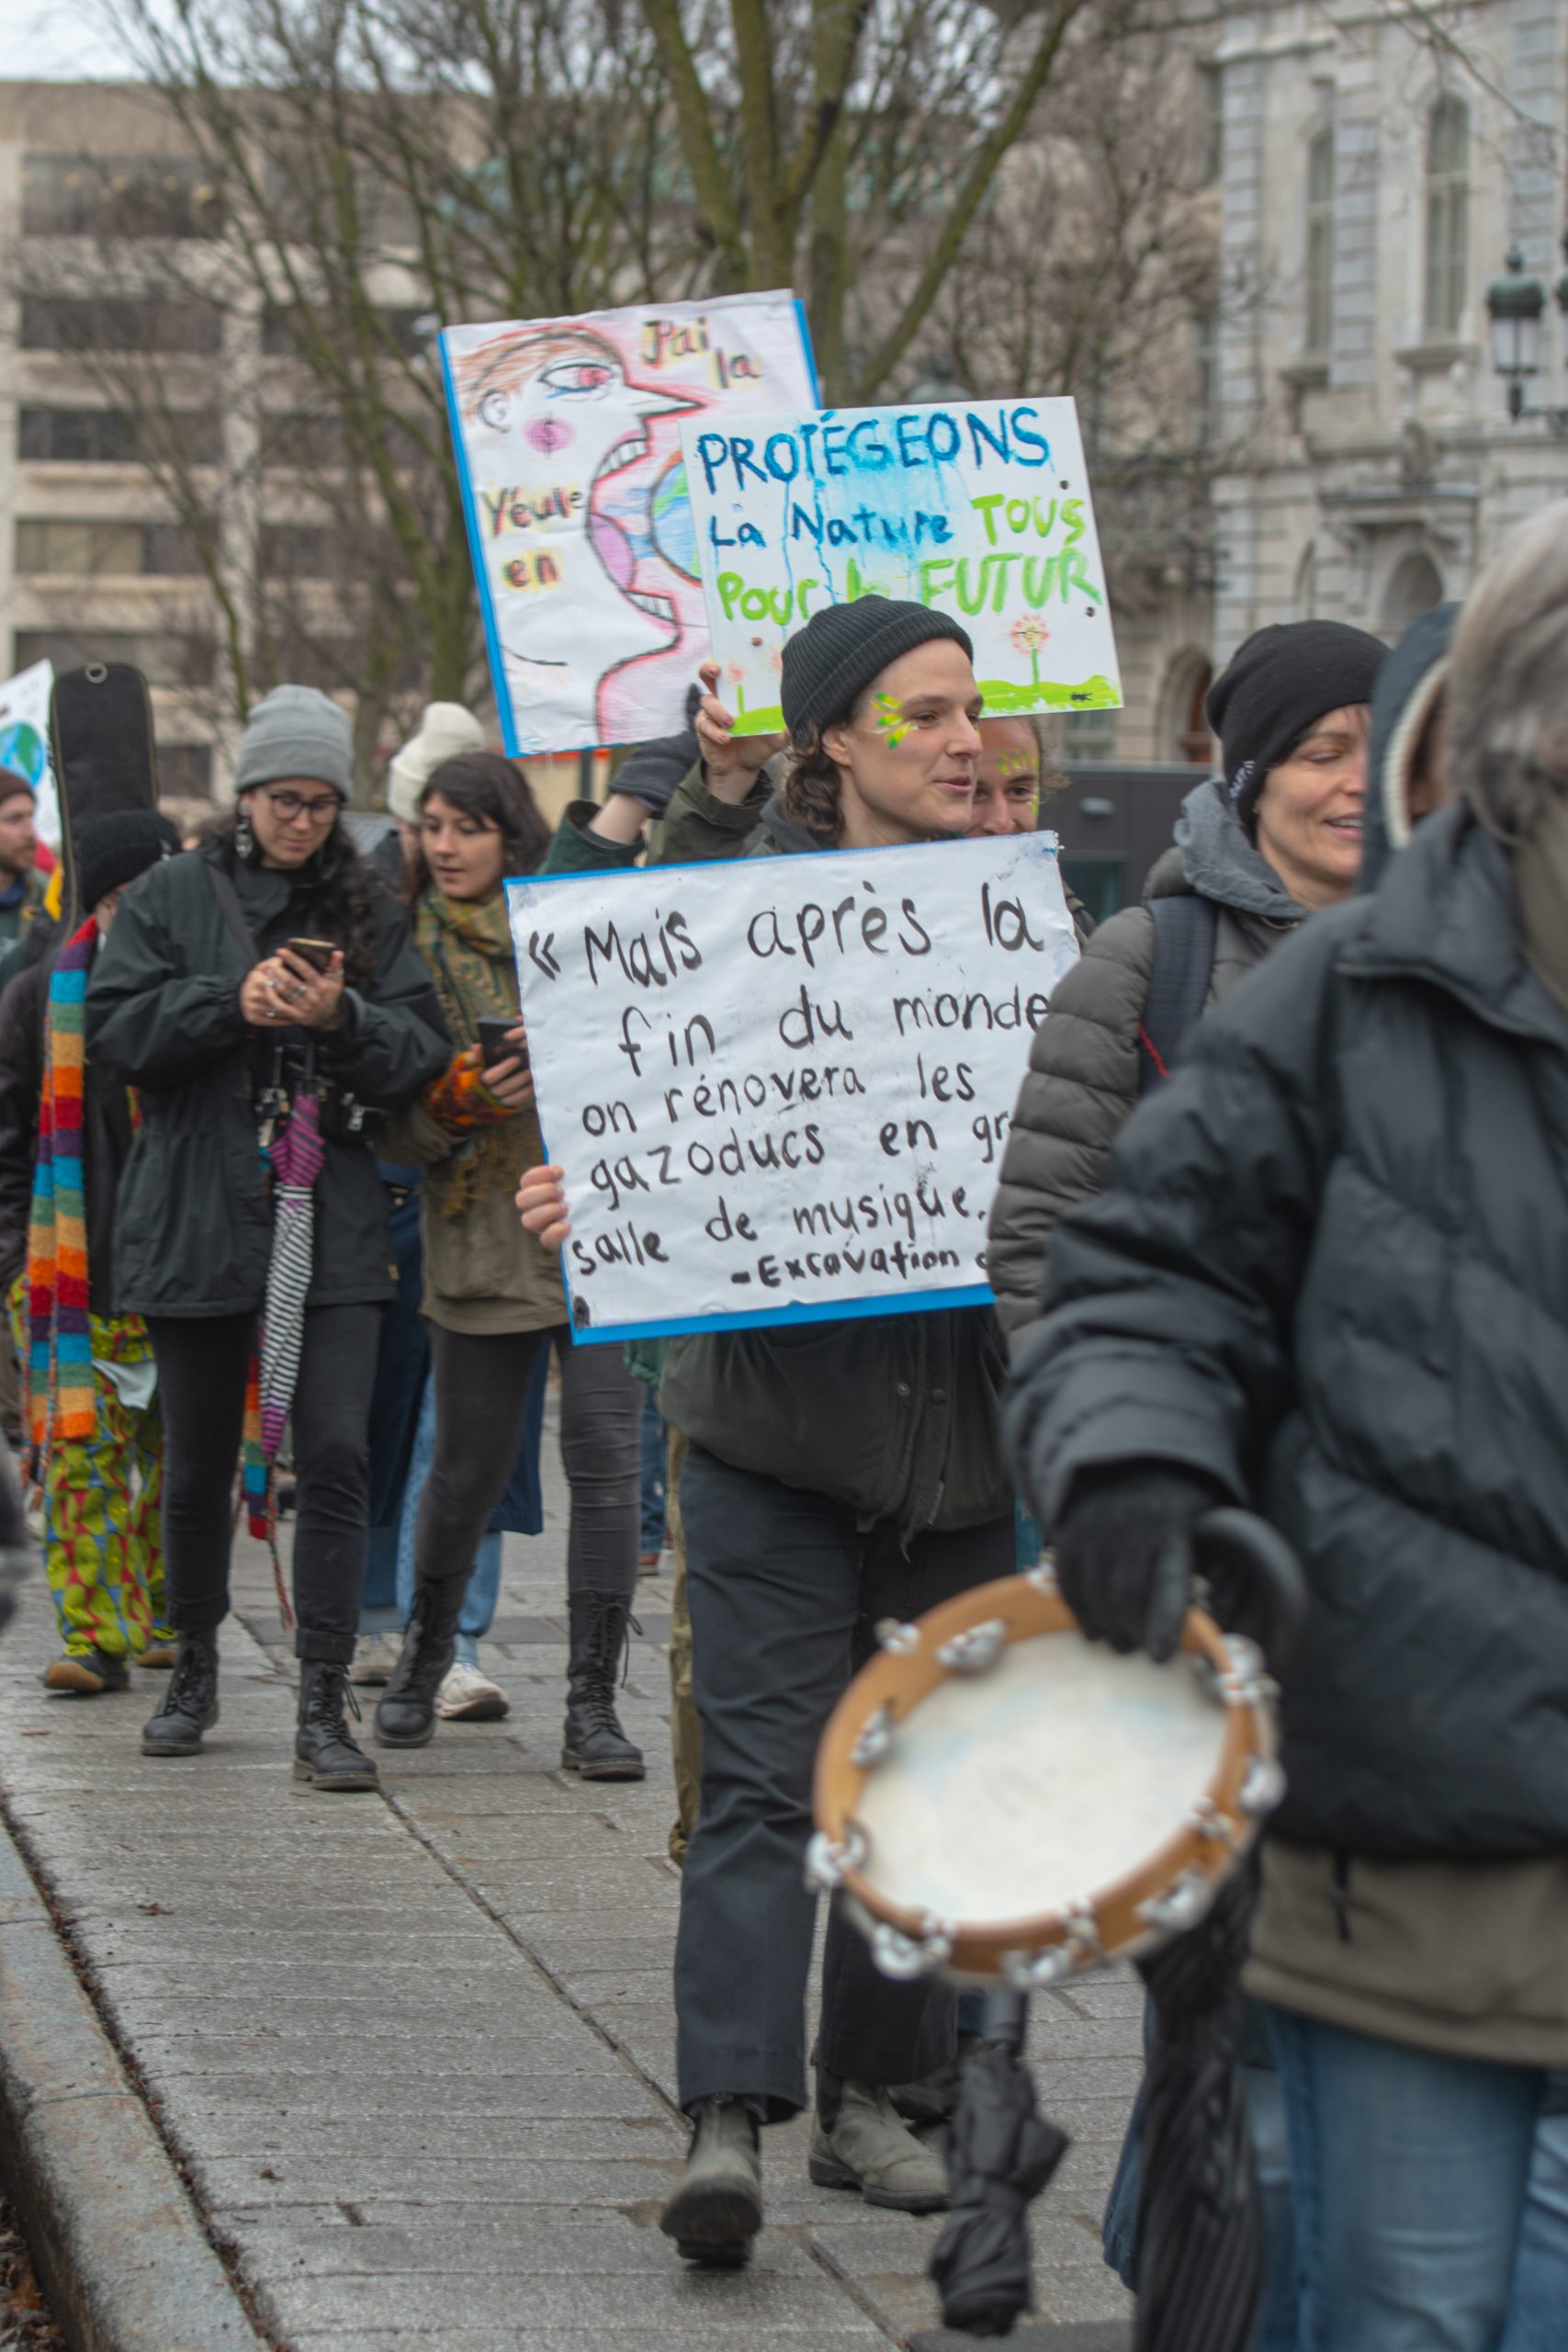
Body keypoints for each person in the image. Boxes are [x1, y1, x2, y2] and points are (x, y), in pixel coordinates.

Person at [1006, 504, 1568, 2352]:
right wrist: (1129, 1465)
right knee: (1406, 2311)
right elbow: (1134, 1281)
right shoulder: (1342, 1000)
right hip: (1404, 1862)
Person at [520, 598, 1023, 2264]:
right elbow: (620, 1020)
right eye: (922, 713)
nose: (961, 741)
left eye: (972, 712)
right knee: (760, 1784)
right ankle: (726, 2115)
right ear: (835, 740)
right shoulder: (736, 912)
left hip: (960, 1449)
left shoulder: (1031, 931)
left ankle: (883, 2100)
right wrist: (599, 1187)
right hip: (768, 1446)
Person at [85, 685, 449, 1786]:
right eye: (285, 798)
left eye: (322, 803)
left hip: (329, 1219)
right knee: (195, 1461)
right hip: (197, 1209)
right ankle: (194, 1663)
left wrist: (341, 1018)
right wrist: (228, 1004)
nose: (302, 819)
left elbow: (421, 1054)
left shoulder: (367, 906)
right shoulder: (167, 895)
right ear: (245, 793)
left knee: (336, 1451)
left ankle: (322, 1699)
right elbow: (115, 1036)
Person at [987, 620, 1385, 1347]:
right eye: (1323, 754)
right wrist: (1119, 1435)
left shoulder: (1475, 951)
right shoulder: (1148, 959)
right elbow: (1043, 1241)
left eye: (1388, 751)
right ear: (1254, 787)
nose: (1360, 781)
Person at [372, 752, 646, 1774]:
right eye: (433, 826)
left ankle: (592, 1706)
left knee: (607, 1467)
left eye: (467, 826)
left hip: (605, 1234)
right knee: (467, 1469)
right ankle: (424, 1656)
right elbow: (392, 1132)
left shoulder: (570, 929)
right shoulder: (401, 951)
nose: (445, 846)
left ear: (511, 834)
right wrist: (468, 1091)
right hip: (482, 1236)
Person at [0, 813, 183, 1691]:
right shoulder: (37, 998)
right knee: (82, 1465)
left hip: (182, 1276)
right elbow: (6, 1141)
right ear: (91, 902)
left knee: (173, 1460)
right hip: (74, 1276)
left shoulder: (207, 991)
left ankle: (158, 1607)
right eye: (115, 901)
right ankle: (93, 1637)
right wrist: (13, 1262)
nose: (131, 918)